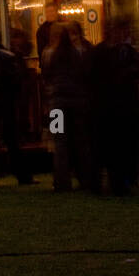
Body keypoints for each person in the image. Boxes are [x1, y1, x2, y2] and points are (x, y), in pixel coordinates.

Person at [89, 15, 139, 194]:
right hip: (119, 106)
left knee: (106, 146)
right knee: (120, 146)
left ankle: (104, 182)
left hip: (106, 106)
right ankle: (120, 182)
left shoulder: (99, 52)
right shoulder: (125, 52)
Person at [42, 21, 92, 192]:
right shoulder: (76, 53)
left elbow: (46, 76)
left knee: (59, 141)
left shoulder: (49, 54)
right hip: (77, 101)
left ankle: (62, 181)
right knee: (80, 140)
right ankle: (85, 178)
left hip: (57, 103)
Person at [0, 27, 35, 184]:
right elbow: (17, 80)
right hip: (7, 101)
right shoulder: (8, 56)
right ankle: (22, 175)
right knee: (12, 139)